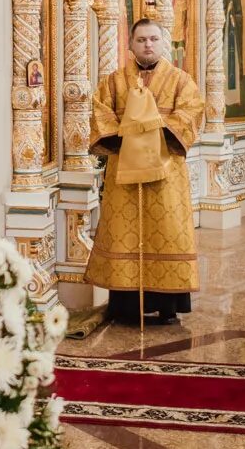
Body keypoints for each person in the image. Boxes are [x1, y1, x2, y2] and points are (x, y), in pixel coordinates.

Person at [86, 19, 205, 326]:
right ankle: (125, 305)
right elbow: (100, 112)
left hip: (166, 173)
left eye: (153, 39)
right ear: (130, 45)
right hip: (124, 171)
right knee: (125, 235)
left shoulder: (181, 81)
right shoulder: (114, 81)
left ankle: (168, 306)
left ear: (163, 43)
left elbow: (191, 113)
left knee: (167, 232)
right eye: (141, 40)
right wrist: (128, 136)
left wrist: (151, 133)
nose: (148, 45)